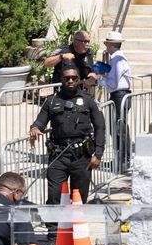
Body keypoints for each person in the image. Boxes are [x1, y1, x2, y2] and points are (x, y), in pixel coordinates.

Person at [29, 71, 106, 206]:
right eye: (67, 78)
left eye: (74, 78)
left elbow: (100, 127)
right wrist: (35, 128)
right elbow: (40, 121)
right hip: (58, 155)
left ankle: (76, 220)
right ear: (62, 79)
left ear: (78, 79)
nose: (70, 81)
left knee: (79, 199)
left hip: (81, 157)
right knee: (54, 196)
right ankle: (54, 220)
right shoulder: (51, 100)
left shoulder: (89, 100)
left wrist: (98, 154)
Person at [100, 31, 132, 115]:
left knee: (118, 121)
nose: (106, 47)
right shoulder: (117, 58)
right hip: (120, 95)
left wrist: (97, 82)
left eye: (106, 45)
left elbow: (112, 83)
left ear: (111, 45)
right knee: (119, 121)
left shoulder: (117, 59)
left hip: (119, 96)